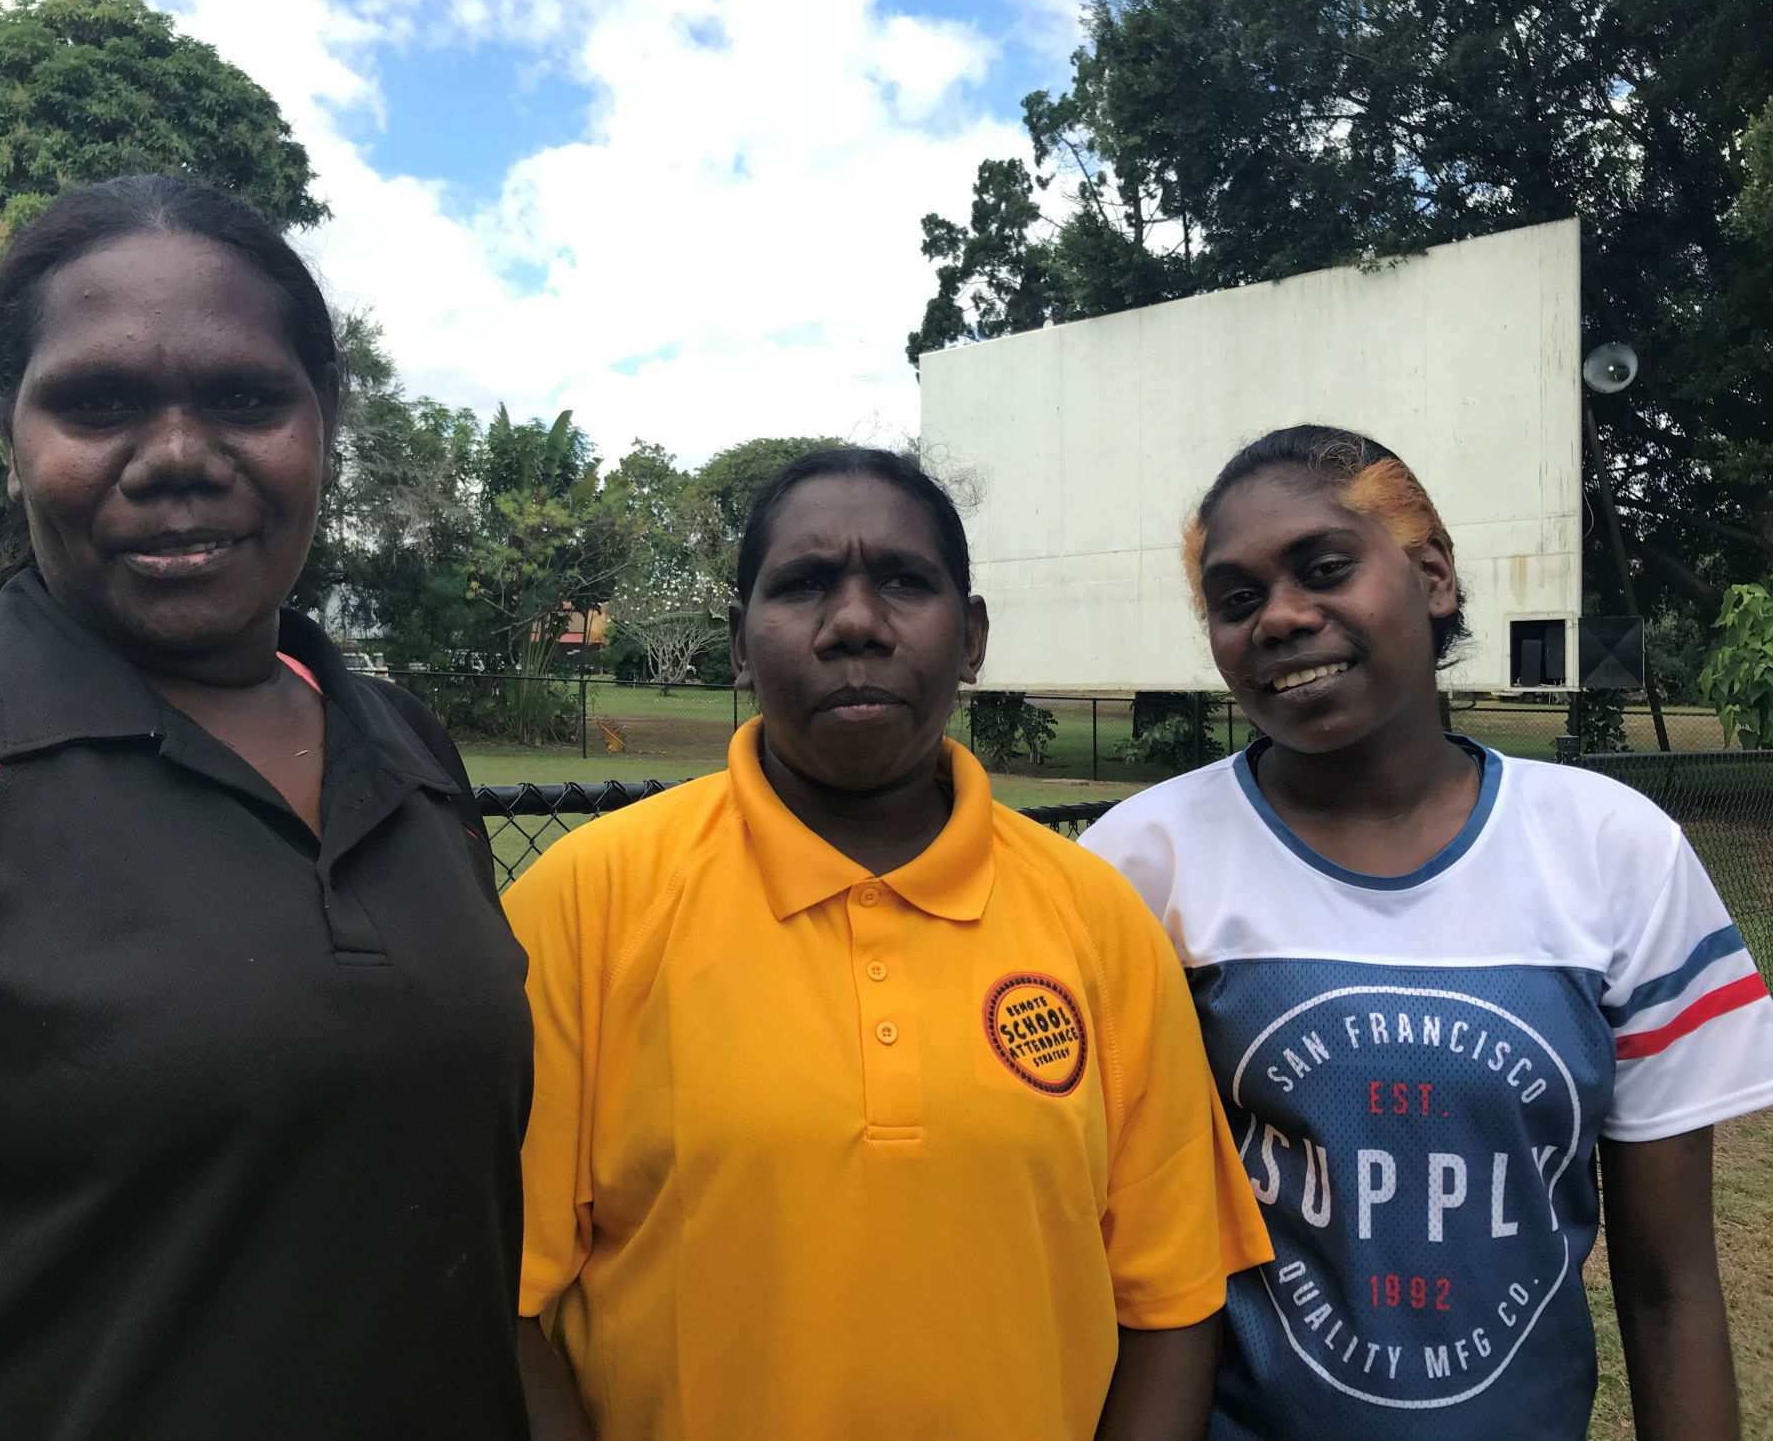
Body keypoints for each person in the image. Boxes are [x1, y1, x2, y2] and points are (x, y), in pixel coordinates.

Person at [0, 176, 532, 1441]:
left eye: (246, 400)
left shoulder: (403, 747)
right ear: (9, 432)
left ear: (324, 425)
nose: (180, 457)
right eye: (98, 403)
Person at [505, 446, 1273, 1441]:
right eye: (804, 585)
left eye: (904, 583)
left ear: (971, 638)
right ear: (740, 643)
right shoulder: (584, 904)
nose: (855, 622)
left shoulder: (1097, 921)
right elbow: (501, 1301)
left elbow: (1171, 1304)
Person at [1080, 424, 1773, 1441]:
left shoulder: (1608, 848)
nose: (1278, 617)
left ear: (1431, 576)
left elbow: (1669, 1285)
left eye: (1323, 569)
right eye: (1234, 600)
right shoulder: (1138, 863)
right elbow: (1111, 1258)